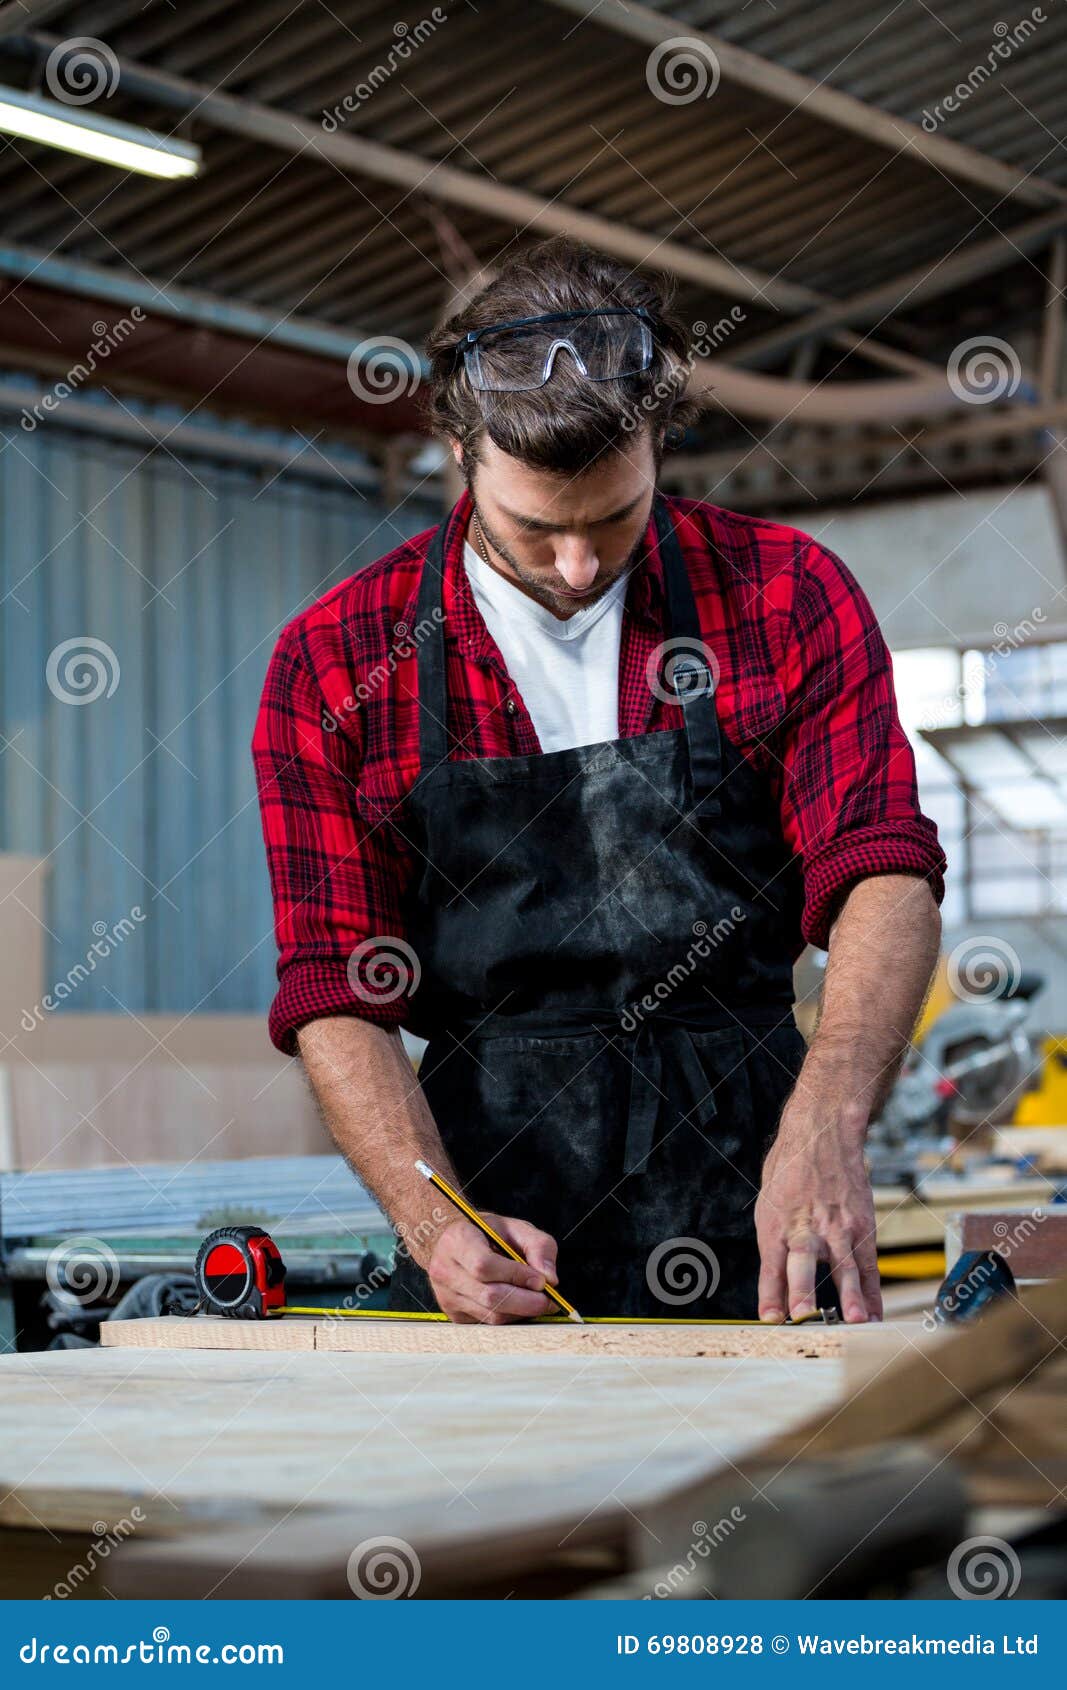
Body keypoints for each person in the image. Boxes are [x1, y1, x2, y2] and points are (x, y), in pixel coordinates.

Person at [254, 236, 944, 1326]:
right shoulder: (336, 661)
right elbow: (337, 984)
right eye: (536, 529)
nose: (578, 567)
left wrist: (828, 1123)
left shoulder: (784, 595)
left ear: (662, 440)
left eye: (612, 519)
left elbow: (880, 870)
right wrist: (433, 1224)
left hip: (764, 1210)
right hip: (497, 1227)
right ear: (455, 448)